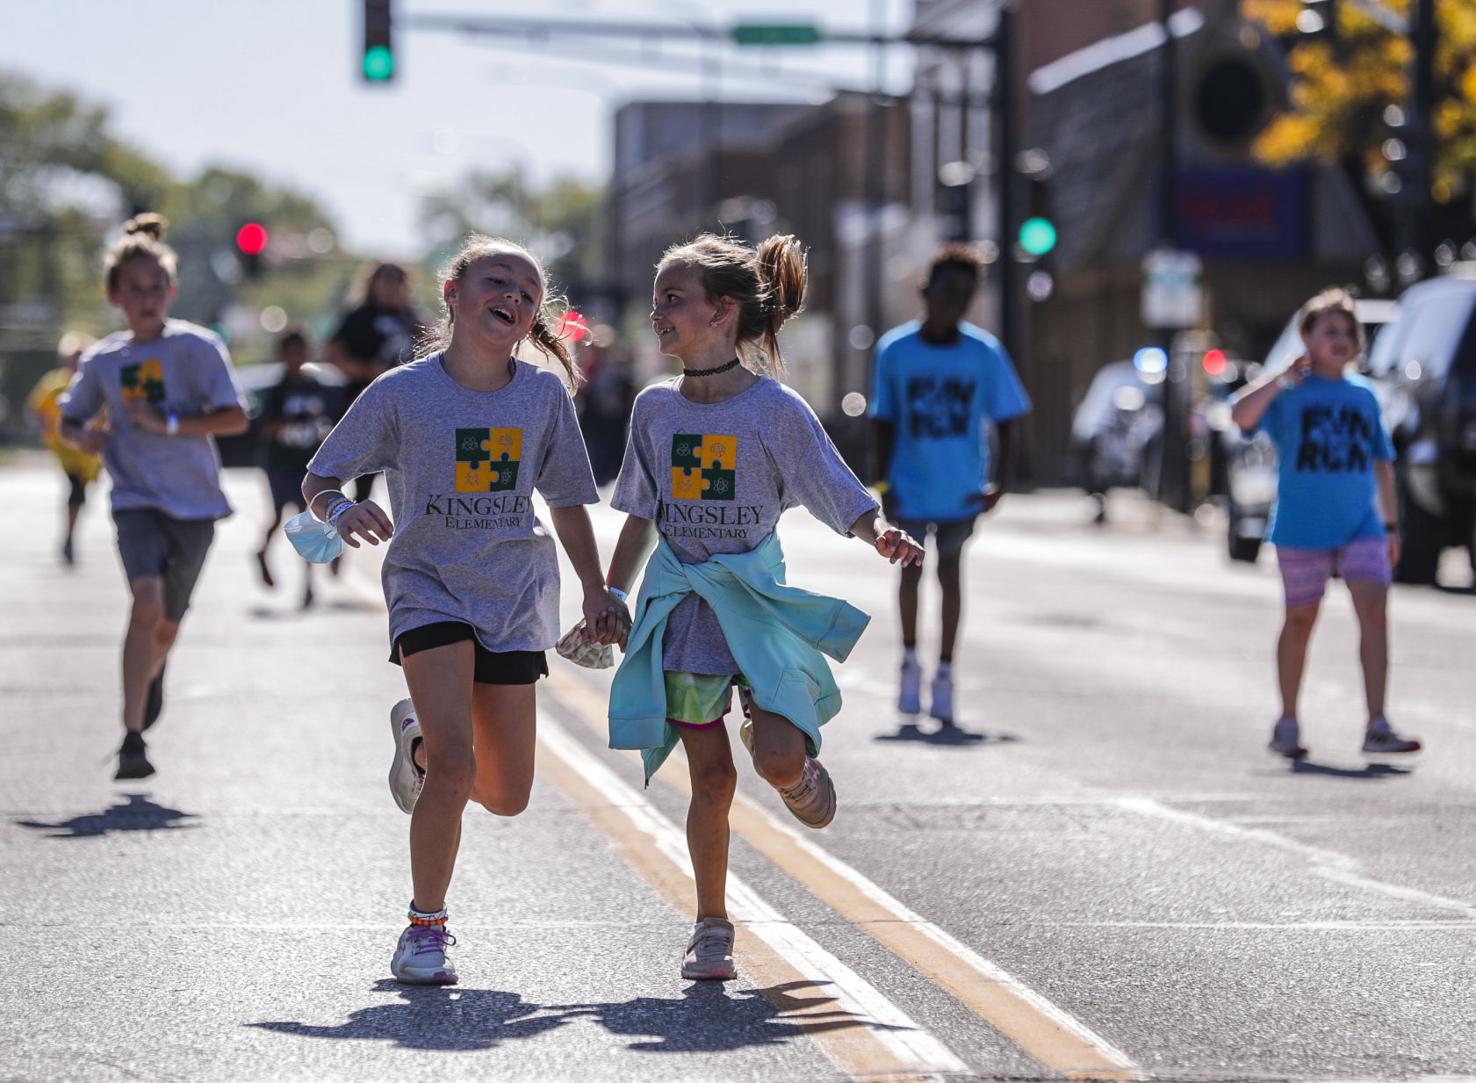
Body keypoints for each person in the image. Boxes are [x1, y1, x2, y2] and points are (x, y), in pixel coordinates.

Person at [302, 236, 625, 986]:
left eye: (527, 289)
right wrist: (339, 510)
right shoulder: (400, 392)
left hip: (512, 594)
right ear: (454, 291)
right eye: (496, 279)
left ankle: (416, 744)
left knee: (507, 794)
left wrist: (595, 587)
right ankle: (426, 926)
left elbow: (570, 499)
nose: (511, 293)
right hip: (427, 587)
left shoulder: (542, 396)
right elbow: (320, 475)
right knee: (458, 762)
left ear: (532, 317)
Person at [602, 233, 923, 983]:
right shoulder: (654, 410)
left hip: (755, 601)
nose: (658, 313)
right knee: (711, 779)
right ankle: (712, 923)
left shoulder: (775, 409)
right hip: (683, 609)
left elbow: (834, 486)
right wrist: (613, 594)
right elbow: (641, 513)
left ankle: (799, 772)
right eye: (657, 299)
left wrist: (879, 532)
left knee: (775, 756)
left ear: (722, 311)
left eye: (672, 299)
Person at [58, 214, 248, 780]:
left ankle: (150, 673)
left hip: (195, 505)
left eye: (154, 288)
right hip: (135, 500)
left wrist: (164, 422)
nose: (145, 299)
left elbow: (235, 417)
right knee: (144, 604)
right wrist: (84, 435)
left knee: (166, 624)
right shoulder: (105, 361)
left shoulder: (197, 348)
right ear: (115, 296)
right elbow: (68, 421)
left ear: (171, 291)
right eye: (133, 290)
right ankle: (132, 737)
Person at [1230, 287, 1421, 760]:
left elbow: (1382, 462)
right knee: (1301, 619)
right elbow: (1239, 415)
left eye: (1348, 331)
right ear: (1306, 339)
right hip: (1302, 525)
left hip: (1361, 524)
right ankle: (1287, 721)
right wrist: (1281, 378)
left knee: (1374, 612)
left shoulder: (1364, 394)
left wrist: (1391, 526)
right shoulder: (1290, 394)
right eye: (1329, 331)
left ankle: (1377, 723)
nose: (1341, 339)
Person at [869, 244, 1031, 726]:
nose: (954, 303)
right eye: (947, 292)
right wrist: (881, 485)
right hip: (909, 485)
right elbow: (882, 420)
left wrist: (1001, 483)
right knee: (911, 572)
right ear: (926, 291)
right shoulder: (895, 350)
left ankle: (944, 673)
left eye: (965, 294)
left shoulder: (983, 352)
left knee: (952, 573)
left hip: (961, 487)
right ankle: (910, 664)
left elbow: (1007, 419)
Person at [325, 262, 427, 505]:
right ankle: (348, 516)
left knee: (411, 471)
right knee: (361, 471)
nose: (392, 287)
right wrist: (364, 370)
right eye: (386, 281)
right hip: (366, 397)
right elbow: (332, 354)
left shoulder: (412, 317)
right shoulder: (359, 316)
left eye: (397, 281)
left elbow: (436, 349)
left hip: (408, 403)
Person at [253, 326, 339, 607]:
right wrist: (295, 420)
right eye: (291, 352)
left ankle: (309, 585)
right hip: (280, 463)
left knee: (308, 523)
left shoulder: (315, 386)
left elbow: (327, 422)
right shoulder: (277, 389)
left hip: (307, 464)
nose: (297, 357)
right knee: (279, 517)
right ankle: (262, 552)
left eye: (301, 351)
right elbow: (266, 427)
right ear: (282, 355)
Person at [28, 331, 101, 565]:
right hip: (65, 448)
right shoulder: (55, 383)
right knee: (76, 489)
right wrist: (48, 429)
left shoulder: (95, 383)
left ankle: (72, 529)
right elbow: (38, 408)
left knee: (83, 493)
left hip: (90, 451)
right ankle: (69, 537)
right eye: (73, 356)